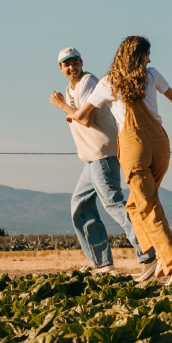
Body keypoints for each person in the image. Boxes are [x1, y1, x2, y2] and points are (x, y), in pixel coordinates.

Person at [70, 36, 172, 284]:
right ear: (139, 57)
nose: (150, 60)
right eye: (147, 55)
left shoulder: (108, 82)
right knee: (134, 206)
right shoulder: (152, 74)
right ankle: (158, 262)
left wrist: (64, 108)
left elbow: (81, 116)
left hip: (134, 147)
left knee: (148, 206)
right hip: (160, 145)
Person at [49, 47, 157, 280]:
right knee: (81, 206)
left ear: (81, 62)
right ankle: (101, 263)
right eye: (66, 64)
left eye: (75, 62)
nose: (71, 67)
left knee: (114, 204)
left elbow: (86, 119)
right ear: (60, 68)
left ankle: (149, 255)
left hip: (103, 154)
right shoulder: (70, 89)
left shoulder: (88, 82)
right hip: (91, 158)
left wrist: (63, 107)